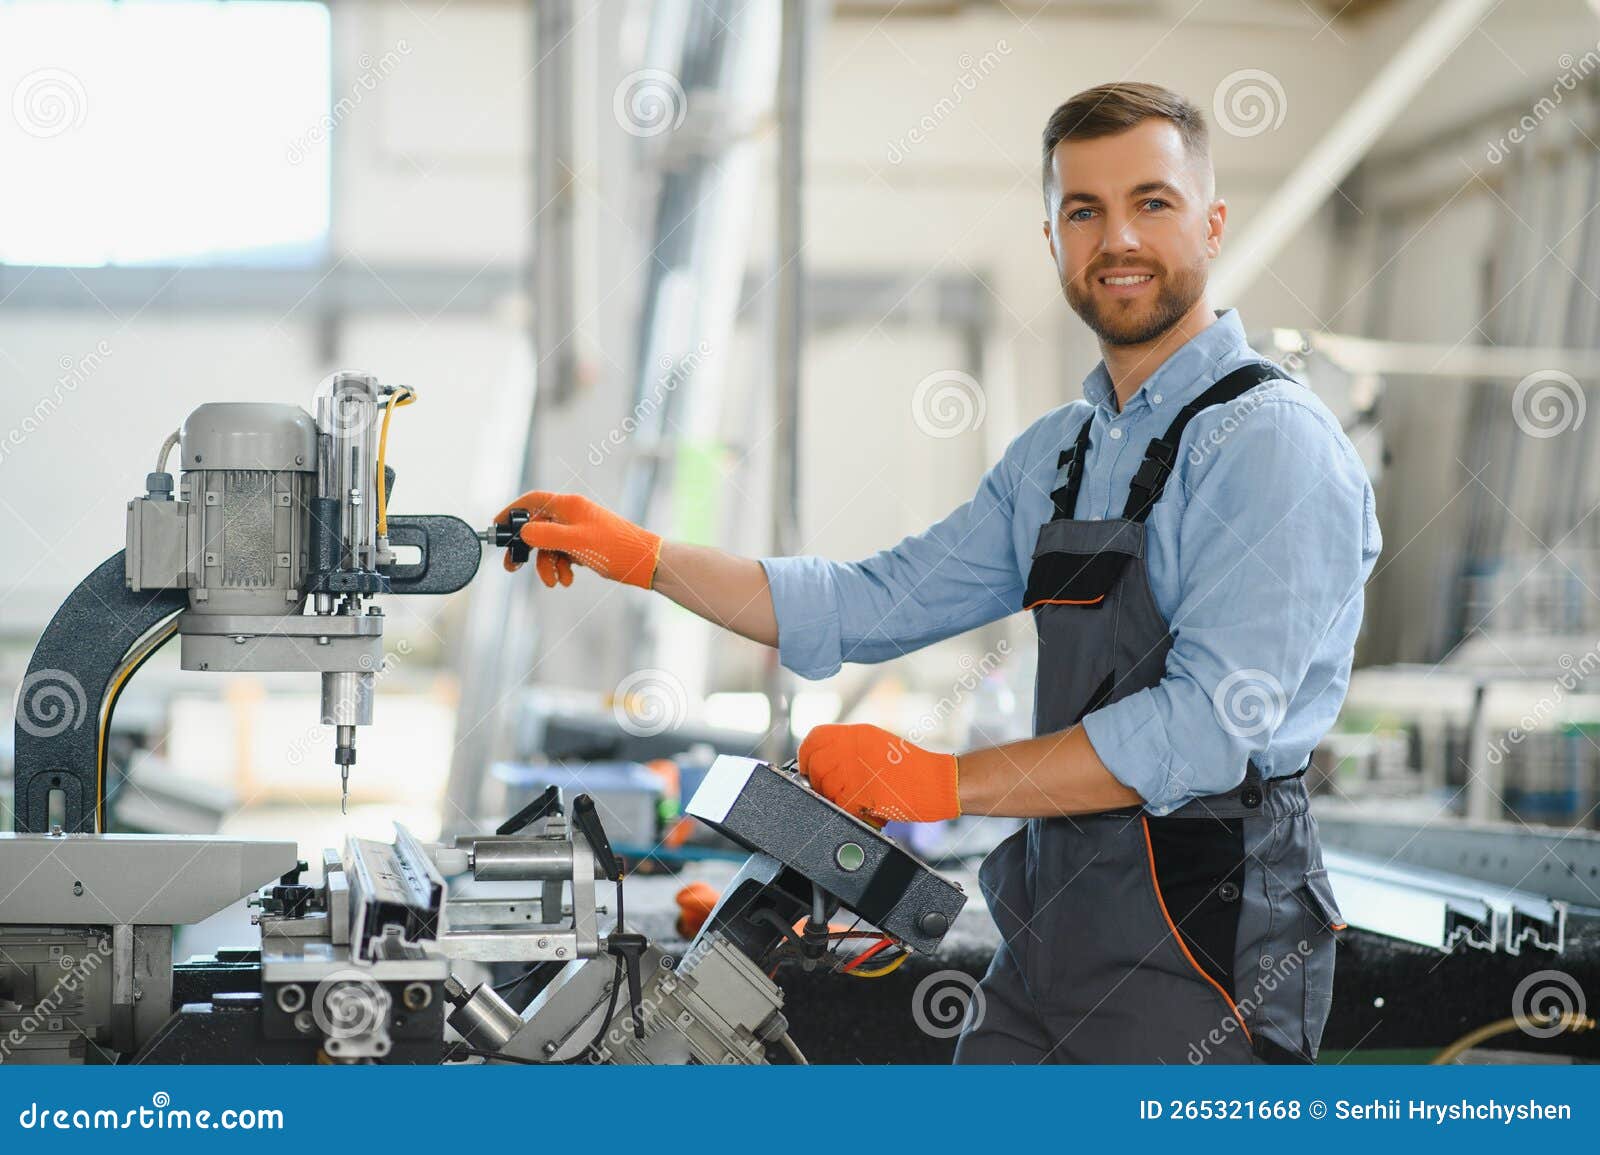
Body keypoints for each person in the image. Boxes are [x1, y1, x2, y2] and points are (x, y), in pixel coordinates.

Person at [493, 81, 1379, 1064]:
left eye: (1151, 203)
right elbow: (875, 599)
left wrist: (937, 779)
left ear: (1211, 223)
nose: (1116, 238)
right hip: (1054, 933)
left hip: (1204, 952)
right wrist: (646, 557)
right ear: (1051, 239)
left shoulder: (1268, 445)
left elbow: (1202, 730)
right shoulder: (1064, 453)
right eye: (1083, 211)